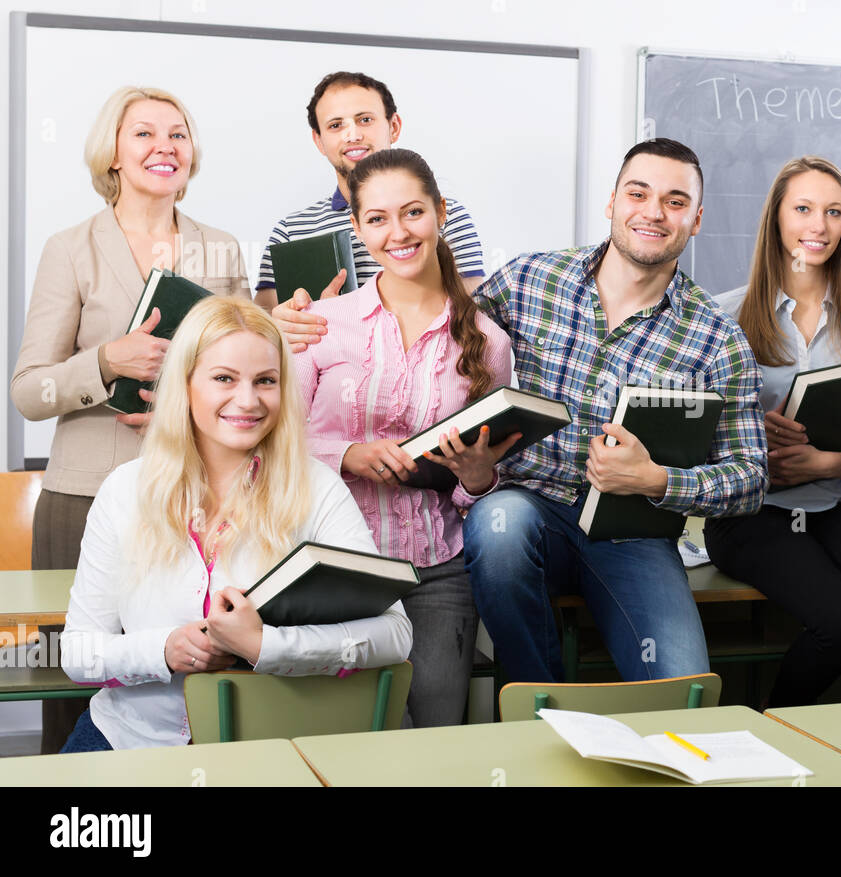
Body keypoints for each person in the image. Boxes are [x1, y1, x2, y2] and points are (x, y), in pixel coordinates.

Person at [463, 138, 765, 684]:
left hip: (635, 535)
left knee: (681, 687)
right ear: (611, 202)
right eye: (638, 193)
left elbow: (750, 478)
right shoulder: (527, 282)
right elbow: (440, 350)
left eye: (675, 201)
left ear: (696, 220)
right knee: (497, 525)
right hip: (528, 512)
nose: (653, 212)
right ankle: (538, 705)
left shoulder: (717, 338)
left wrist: (656, 479)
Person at [9, 85, 251, 752]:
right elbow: (29, 391)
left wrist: (192, 408)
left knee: (187, 679)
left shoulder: (222, 249)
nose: (163, 146)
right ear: (112, 152)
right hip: (85, 497)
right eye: (143, 133)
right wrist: (108, 360)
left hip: (196, 498)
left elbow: (242, 369)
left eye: (177, 133)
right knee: (76, 683)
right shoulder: (71, 248)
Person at [59, 296, 412, 751]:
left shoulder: (317, 487)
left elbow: (395, 635)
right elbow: (78, 652)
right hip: (130, 738)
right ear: (185, 385)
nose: (247, 401)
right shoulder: (124, 490)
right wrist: (165, 650)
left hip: (267, 745)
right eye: (224, 378)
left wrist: (265, 645)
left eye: (266, 381)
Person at [294, 148, 514, 727]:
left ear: (440, 212)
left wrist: (477, 477)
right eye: (377, 219)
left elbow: (493, 480)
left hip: (435, 571)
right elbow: (272, 448)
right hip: (329, 565)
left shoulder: (488, 341)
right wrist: (348, 453)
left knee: (434, 732)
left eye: (413, 212)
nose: (398, 232)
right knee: (338, 732)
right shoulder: (321, 322)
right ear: (357, 227)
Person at [707, 156, 841, 707]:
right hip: (749, 513)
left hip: (830, 502)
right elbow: (694, 435)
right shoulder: (722, 317)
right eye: (803, 209)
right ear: (776, 219)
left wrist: (824, 463)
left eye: (833, 212)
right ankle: (772, 734)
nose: (818, 226)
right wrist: (753, 442)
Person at [256, 70, 486, 312]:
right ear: (319, 140)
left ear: (393, 126)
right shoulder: (290, 232)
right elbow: (264, 327)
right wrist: (288, 325)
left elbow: (471, 318)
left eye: (365, 120)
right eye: (335, 125)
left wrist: (351, 321)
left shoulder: (444, 216)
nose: (352, 135)